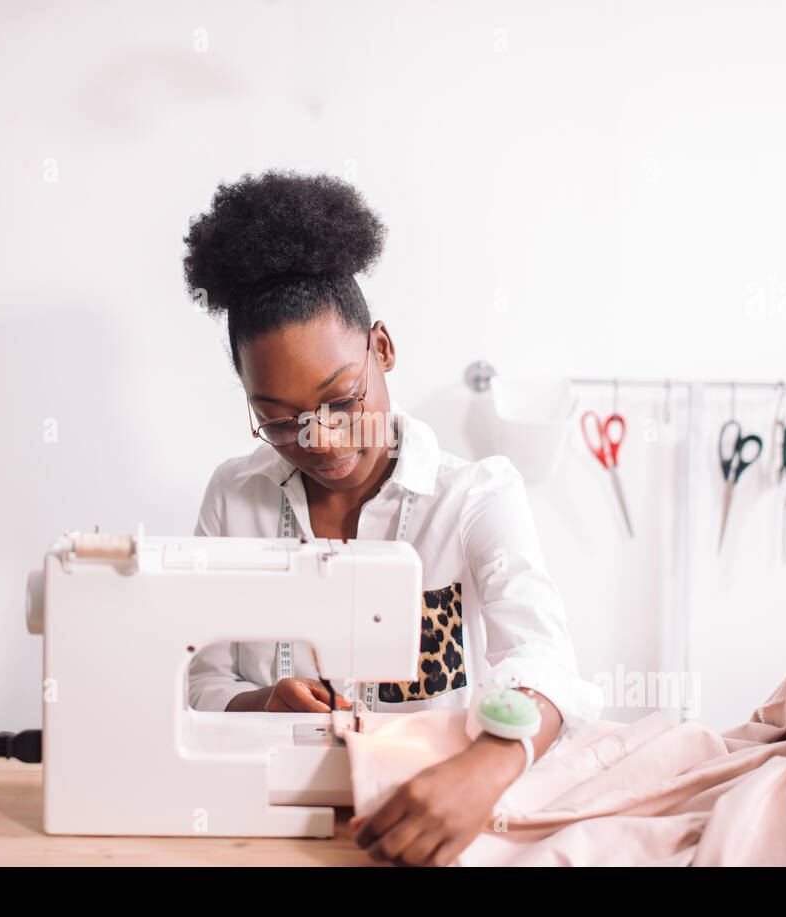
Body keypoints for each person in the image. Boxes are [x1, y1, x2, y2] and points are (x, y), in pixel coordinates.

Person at [180, 168, 603, 866]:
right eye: (279, 422)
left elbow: (546, 660)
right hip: (274, 821)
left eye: (342, 400)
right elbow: (200, 679)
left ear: (381, 350)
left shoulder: (473, 498)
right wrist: (262, 703)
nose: (320, 439)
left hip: (436, 816)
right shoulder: (235, 496)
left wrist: (485, 769)